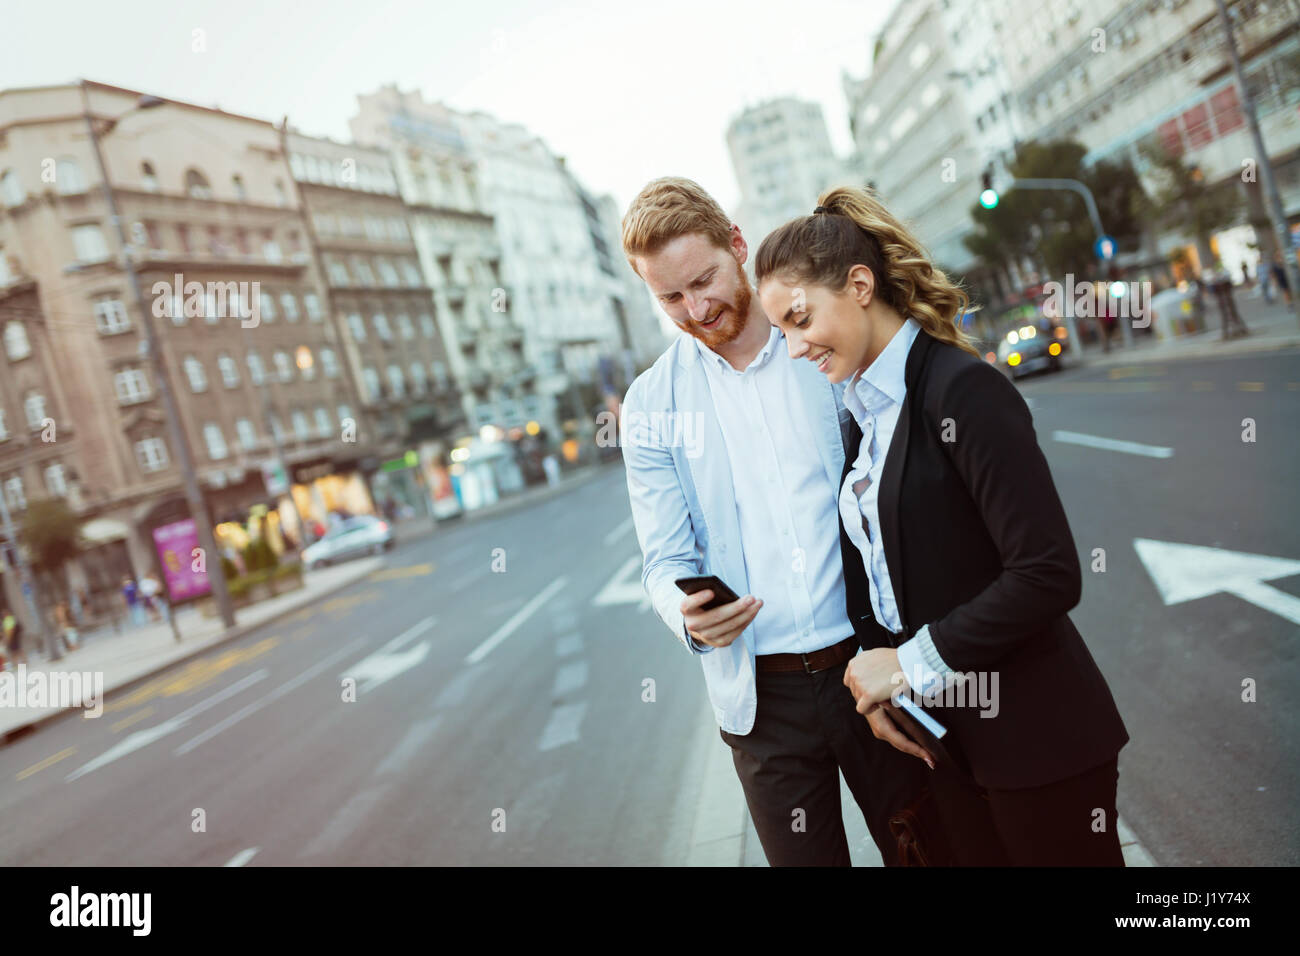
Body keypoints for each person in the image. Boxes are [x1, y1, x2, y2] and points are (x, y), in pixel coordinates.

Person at [754, 186, 1130, 866]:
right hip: (945, 747)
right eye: (781, 331)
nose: (793, 346)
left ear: (861, 285)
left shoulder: (961, 389)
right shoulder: (861, 416)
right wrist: (876, 684)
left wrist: (907, 665)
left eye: (799, 319)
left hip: (1036, 739)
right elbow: (884, 575)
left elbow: (1046, 572)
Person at [619, 177, 931, 866]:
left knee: (930, 852)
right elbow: (663, 560)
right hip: (763, 702)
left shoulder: (822, 341)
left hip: (872, 657)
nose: (696, 308)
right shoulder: (650, 406)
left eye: (703, 279)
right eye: (670, 297)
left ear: (738, 244)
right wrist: (687, 615)